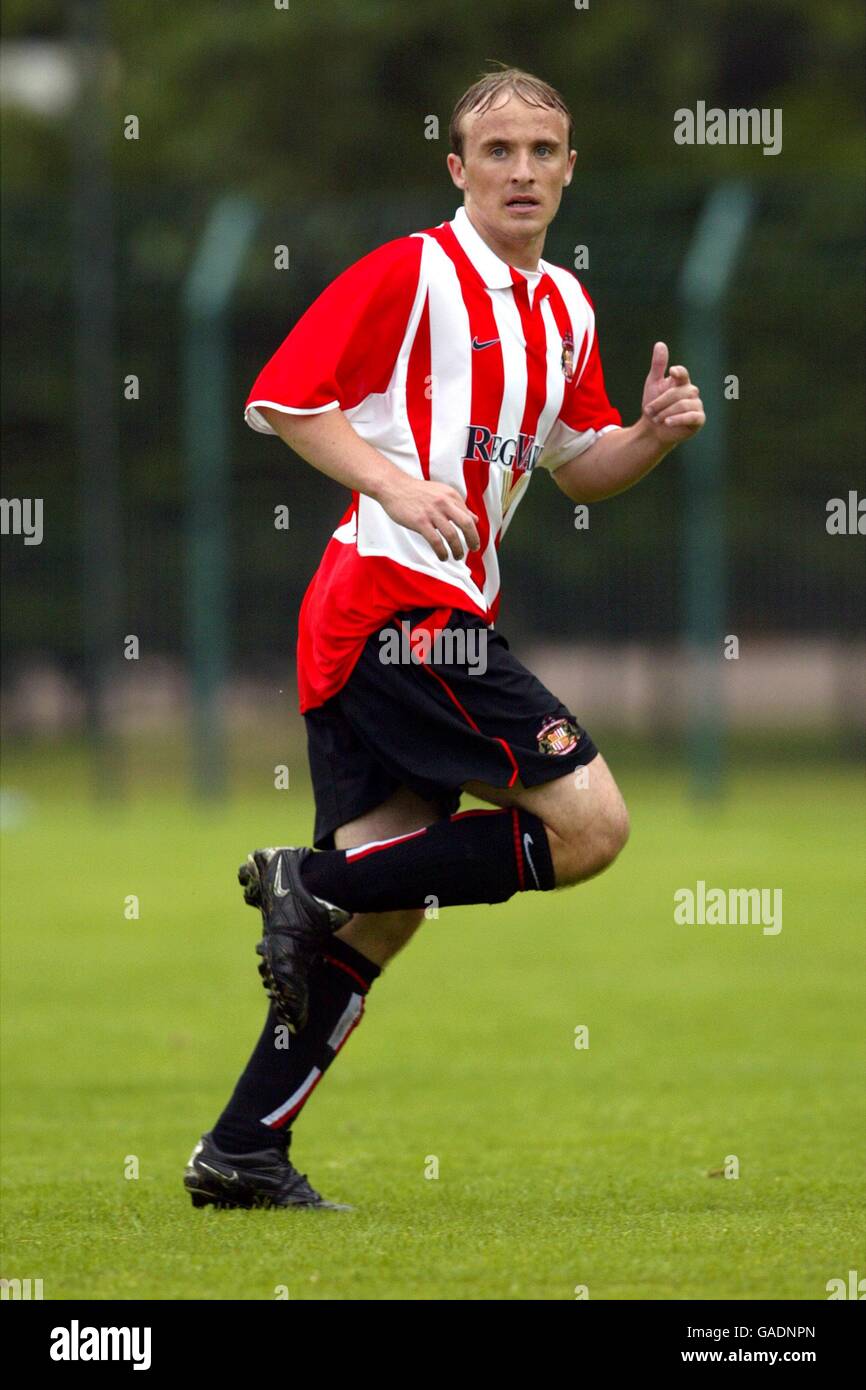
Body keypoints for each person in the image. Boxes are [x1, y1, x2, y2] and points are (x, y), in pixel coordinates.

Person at [184, 66, 705, 1210]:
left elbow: (581, 465)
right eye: (498, 150)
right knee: (590, 824)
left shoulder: (563, 307)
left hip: (418, 614)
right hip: (390, 605)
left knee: (384, 910)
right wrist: (399, 486)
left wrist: (652, 438)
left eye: (543, 152)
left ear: (568, 170)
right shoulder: (412, 271)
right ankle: (304, 878)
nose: (521, 170)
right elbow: (283, 397)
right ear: (456, 168)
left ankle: (241, 1153)